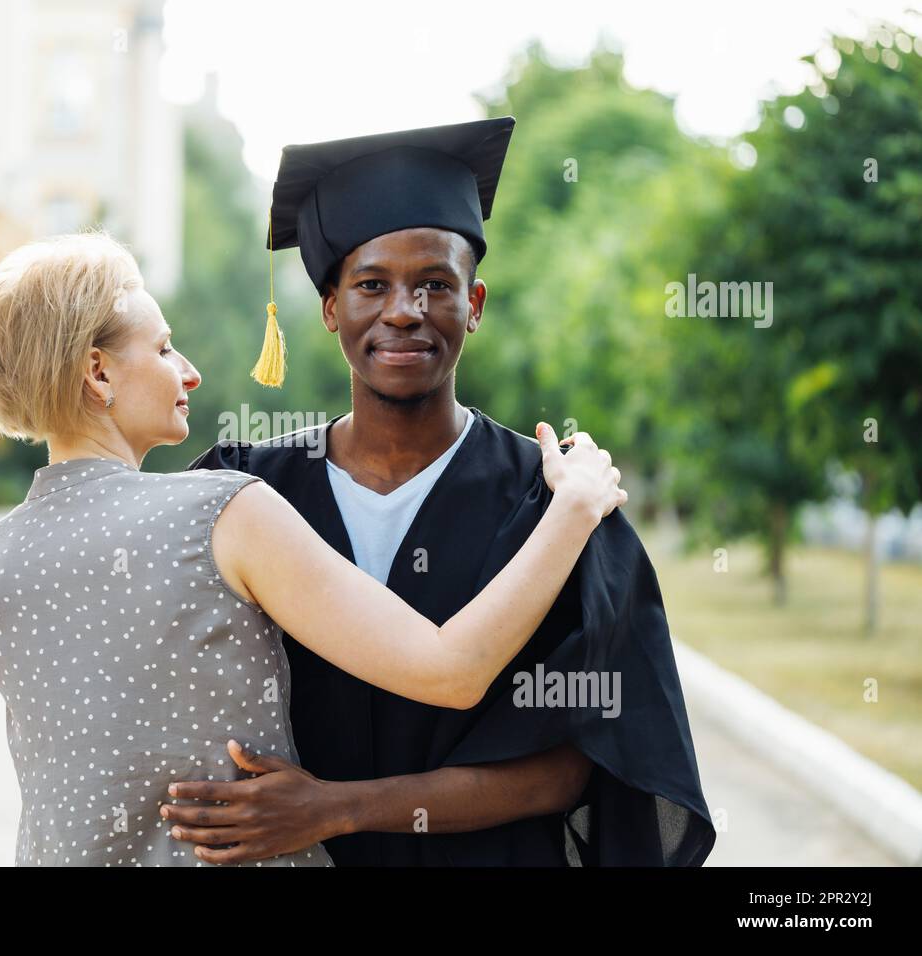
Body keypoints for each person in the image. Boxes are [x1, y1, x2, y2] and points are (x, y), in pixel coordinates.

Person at [0, 229, 626, 866]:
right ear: (97, 373)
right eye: (162, 350)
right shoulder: (219, 510)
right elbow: (452, 670)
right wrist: (574, 507)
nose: (188, 373)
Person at [183, 117, 716, 866]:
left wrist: (336, 809)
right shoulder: (243, 492)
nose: (405, 309)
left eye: (435, 284)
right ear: (332, 306)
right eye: (372, 284)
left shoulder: (556, 500)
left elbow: (571, 767)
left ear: (475, 304)